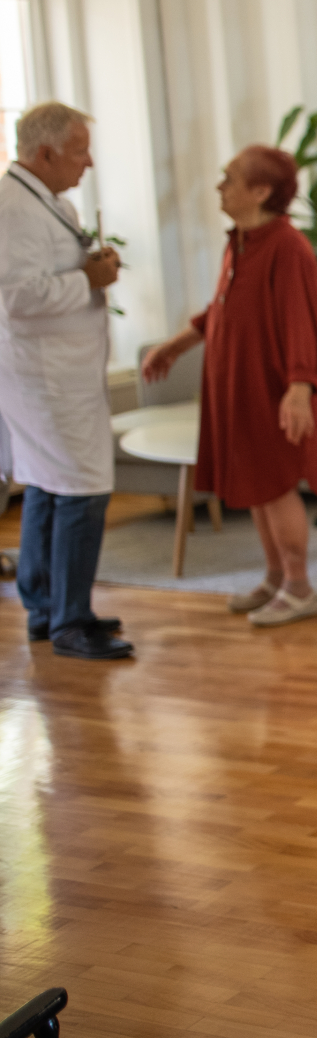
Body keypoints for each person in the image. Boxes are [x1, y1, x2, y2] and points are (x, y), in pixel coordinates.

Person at [142, 146, 317, 628]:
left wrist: (299, 389)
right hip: (234, 382)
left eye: (229, 179)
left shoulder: (288, 247)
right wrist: (177, 344)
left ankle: (299, 585)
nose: (219, 187)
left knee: (274, 484)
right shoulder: (239, 242)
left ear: (261, 191)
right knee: (255, 484)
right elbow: (223, 308)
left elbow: (302, 322)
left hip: (271, 386)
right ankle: (275, 576)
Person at [0, 102, 130, 658]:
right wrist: (86, 279)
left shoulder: (50, 203)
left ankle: (47, 608)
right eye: (79, 151)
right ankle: (70, 621)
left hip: (62, 372)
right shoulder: (12, 210)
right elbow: (16, 298)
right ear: (46, 153)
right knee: (82, 487)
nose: (90, 162)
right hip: (45, 378)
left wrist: (89, 264)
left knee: (53, 486)